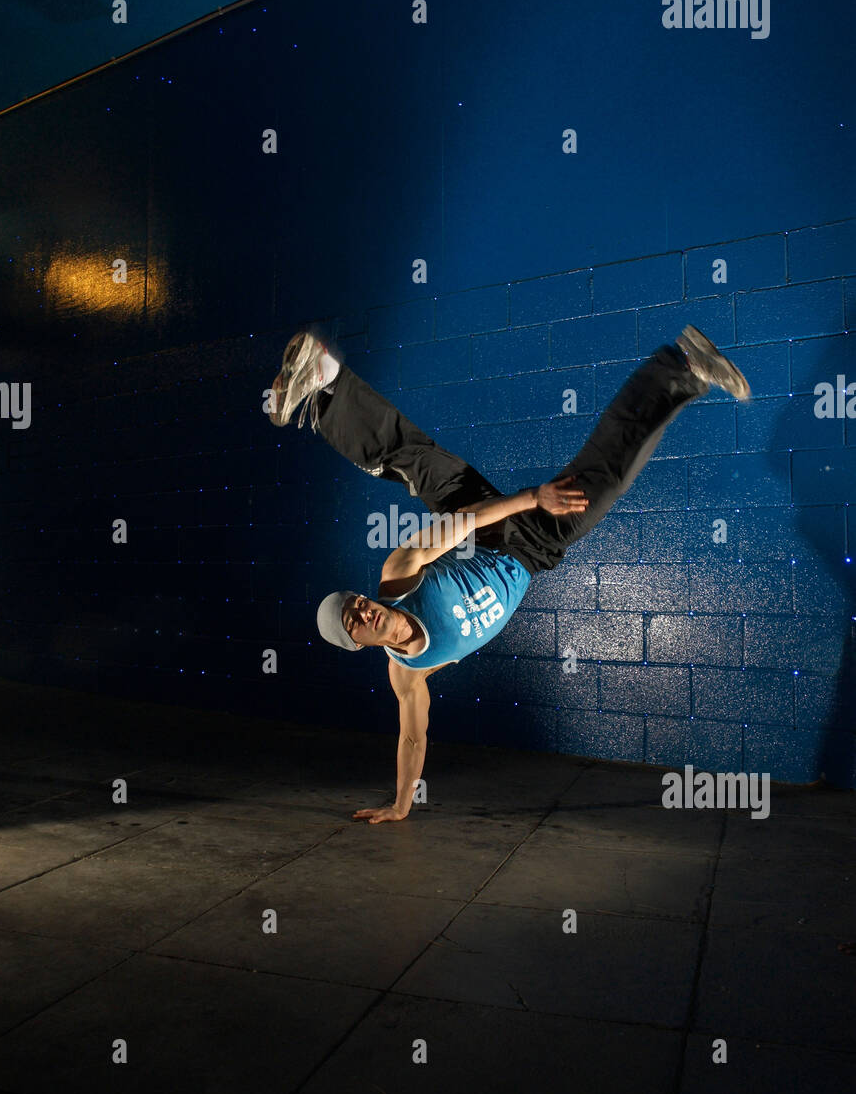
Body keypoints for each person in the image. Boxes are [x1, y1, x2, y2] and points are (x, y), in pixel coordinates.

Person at [268, 324, 750, 823]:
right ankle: (685, 369)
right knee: (603, 483)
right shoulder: (408, 676)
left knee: (410, 458)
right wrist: (400, 806)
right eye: (354, 622)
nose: (363, 610)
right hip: (534, 550)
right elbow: (413, 738)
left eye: (355, 603)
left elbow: (462, 524)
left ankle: (325, 380)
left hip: (486, 526)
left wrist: (530, 499)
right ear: (361, 644)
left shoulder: (398, 577)